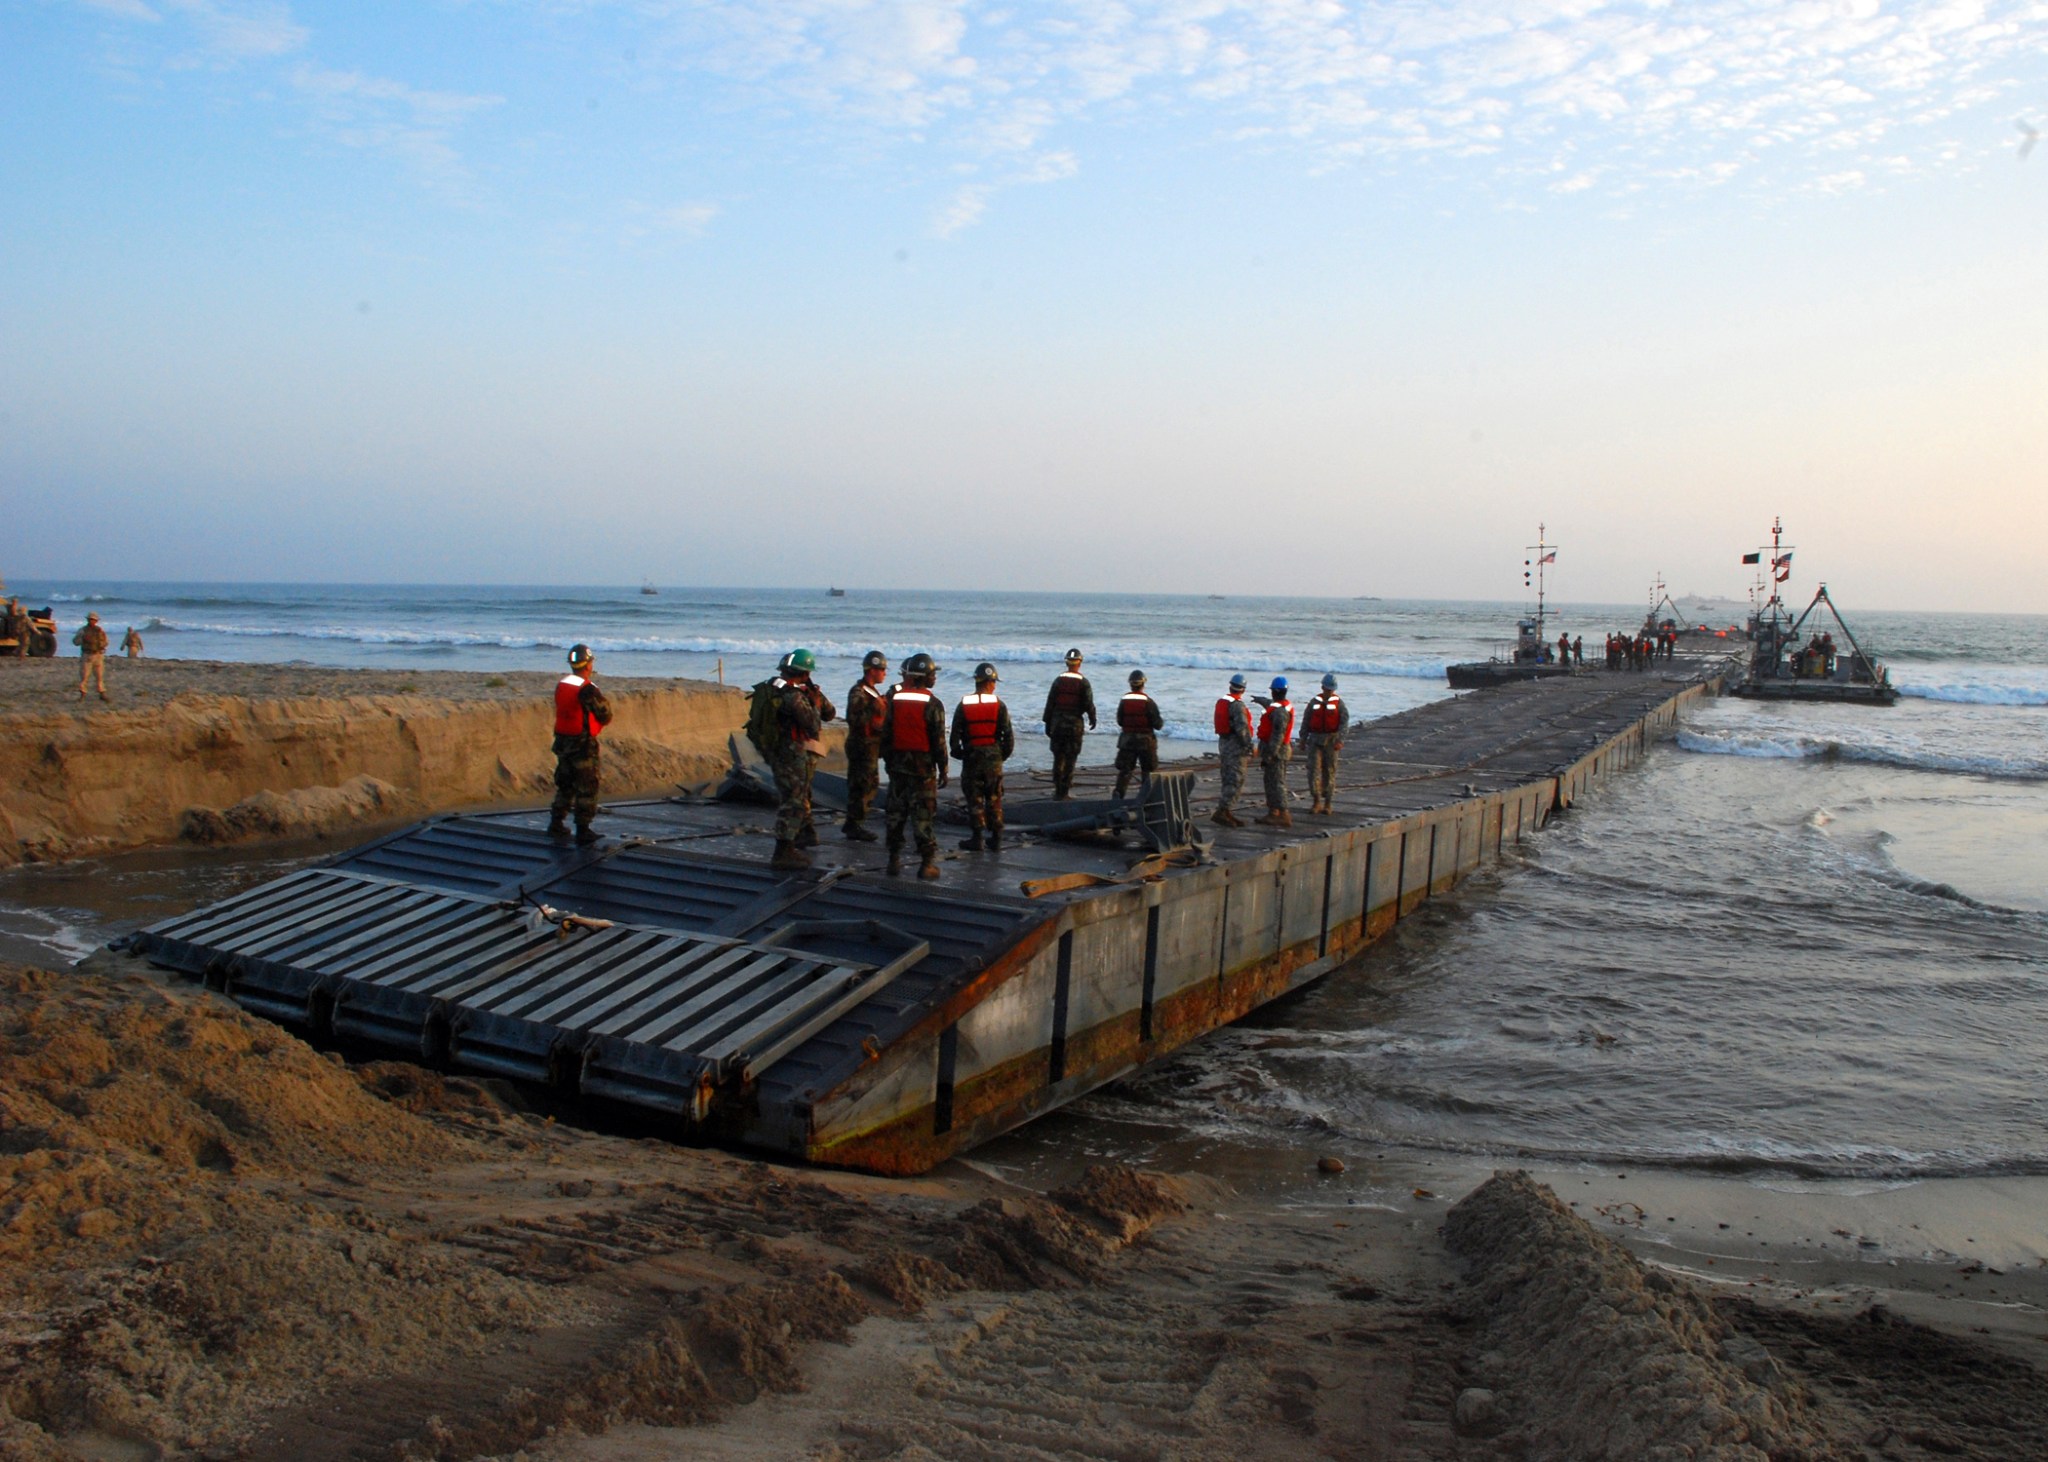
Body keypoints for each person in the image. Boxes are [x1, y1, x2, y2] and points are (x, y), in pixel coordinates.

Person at [762, 648, 836, 871]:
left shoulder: (773, 688)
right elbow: (813, 724)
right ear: (804, 674)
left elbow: (830, 713)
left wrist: (812, 694)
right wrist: (814, 700)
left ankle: (803, 834)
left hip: (778, 751)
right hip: (791, 753)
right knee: (793, 800)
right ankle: (783, 851)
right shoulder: (794, 696)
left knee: (797, 795)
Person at [881, 652, 947, 880]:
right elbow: (938, 741)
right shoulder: (934, 704)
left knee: (895, 814)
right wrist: (944, 768)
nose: (935, 678)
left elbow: (886, 735)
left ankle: (893, 860)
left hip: (898, 768)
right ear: (923, 676)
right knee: (923, 816)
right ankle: (927, 863)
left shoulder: (894, 700)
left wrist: (890, 762)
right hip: (922, 770)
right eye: (932, 674)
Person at [548, 644, 613, 844]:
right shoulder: (587, 689)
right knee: (587, 786)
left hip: (563, 742)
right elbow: (605, 715)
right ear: (588, 664)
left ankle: (556, 823)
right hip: (582, 744)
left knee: (565, 785)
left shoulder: (563, 684)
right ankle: (583, 829)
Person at [950, 661, 1015, 852]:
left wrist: (961, 754)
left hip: (972, 758)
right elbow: (1008, 738)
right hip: (993, 759)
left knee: (974, 800)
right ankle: (996, 838)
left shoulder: (964, 704)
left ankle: (977, 838)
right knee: (994, 798)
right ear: (991, 682)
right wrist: (999, 757)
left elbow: (955, 737)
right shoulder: (999, 705)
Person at [841, 649, 890, 842]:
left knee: (868, 784)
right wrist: (874, 708)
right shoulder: (859, 691)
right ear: (872, 670)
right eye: (882, 669)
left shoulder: (872, 692)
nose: (885, 673)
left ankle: (855, 823)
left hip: (871, 744)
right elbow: (853, 718)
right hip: (861, 744)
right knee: (861, 785)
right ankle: (854, 824)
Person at [1041, 648, 1097, 799]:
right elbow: (1088, 703)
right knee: (1071, 758)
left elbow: (1050, 703)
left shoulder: (1058, 681)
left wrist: (1047, 723)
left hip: (1057, 724)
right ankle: (1064, 791)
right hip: (1074, 726)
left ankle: (1057, 788)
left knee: (1058, 757)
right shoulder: (1083, 682)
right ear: (1080, 662)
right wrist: (1093, 718)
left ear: (1067, 662)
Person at [1210, 673, 1256, 827]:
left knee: (1227, 777)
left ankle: (1227, 811)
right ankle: (1223, 811)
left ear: (1231, 686)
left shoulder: (1223, 701)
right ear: (1243, 689)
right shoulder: (1237, 705)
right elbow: (1242, 728)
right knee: (1236, 779)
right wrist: (1250, 746)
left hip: (1224, 743)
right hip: (1235, 746)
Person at [1298, 673, 1346, 815]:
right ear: (1322, 687)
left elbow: (1344, 724)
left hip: (1331, 741)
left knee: (1329, 771)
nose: (1329, 692)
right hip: (1315, 740)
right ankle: (1316, 801)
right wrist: (1303, 738)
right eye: (1327, 689)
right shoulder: (1314, 703)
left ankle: (1328, 803)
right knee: (1313, 771)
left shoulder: (1339, 704)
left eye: (1331, 689)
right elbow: (1306, 720)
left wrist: (1340, 740)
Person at [1112, 669, 1163, 800]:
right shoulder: (1149, 702)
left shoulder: (1124, 700)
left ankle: (1118, 795)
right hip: (1145, 742)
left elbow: (1120, 721)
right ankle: (1146, 798)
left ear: (1130, 684)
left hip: (1127, 741)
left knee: (1125, 771)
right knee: (1148, 771)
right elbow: (1158, 724)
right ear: (1143, 684)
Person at [1256, 676, 1295, 827]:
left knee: (1277, 783)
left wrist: (1270, 755)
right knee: (1270, 782)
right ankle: (1273, 812)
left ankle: (1284, 814)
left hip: (1277, 753)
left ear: (1275, 692)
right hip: (1277, 751)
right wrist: (1261, 700)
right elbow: (1271, 705)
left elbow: (1277, 735)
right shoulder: (1280, 706)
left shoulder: (1280, 712)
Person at [74, 612, 109, 700]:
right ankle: (83, 694)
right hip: (87, 655)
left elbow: (106, 641)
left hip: (98, 654)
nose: (92, 621)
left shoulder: (100, 630)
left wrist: (102, 646)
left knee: (99, 676)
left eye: (93, 620)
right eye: (91, 619)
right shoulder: (83, 630)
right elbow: (76, 642)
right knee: (84, 676)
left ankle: (101, 693)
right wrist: (81, 638)